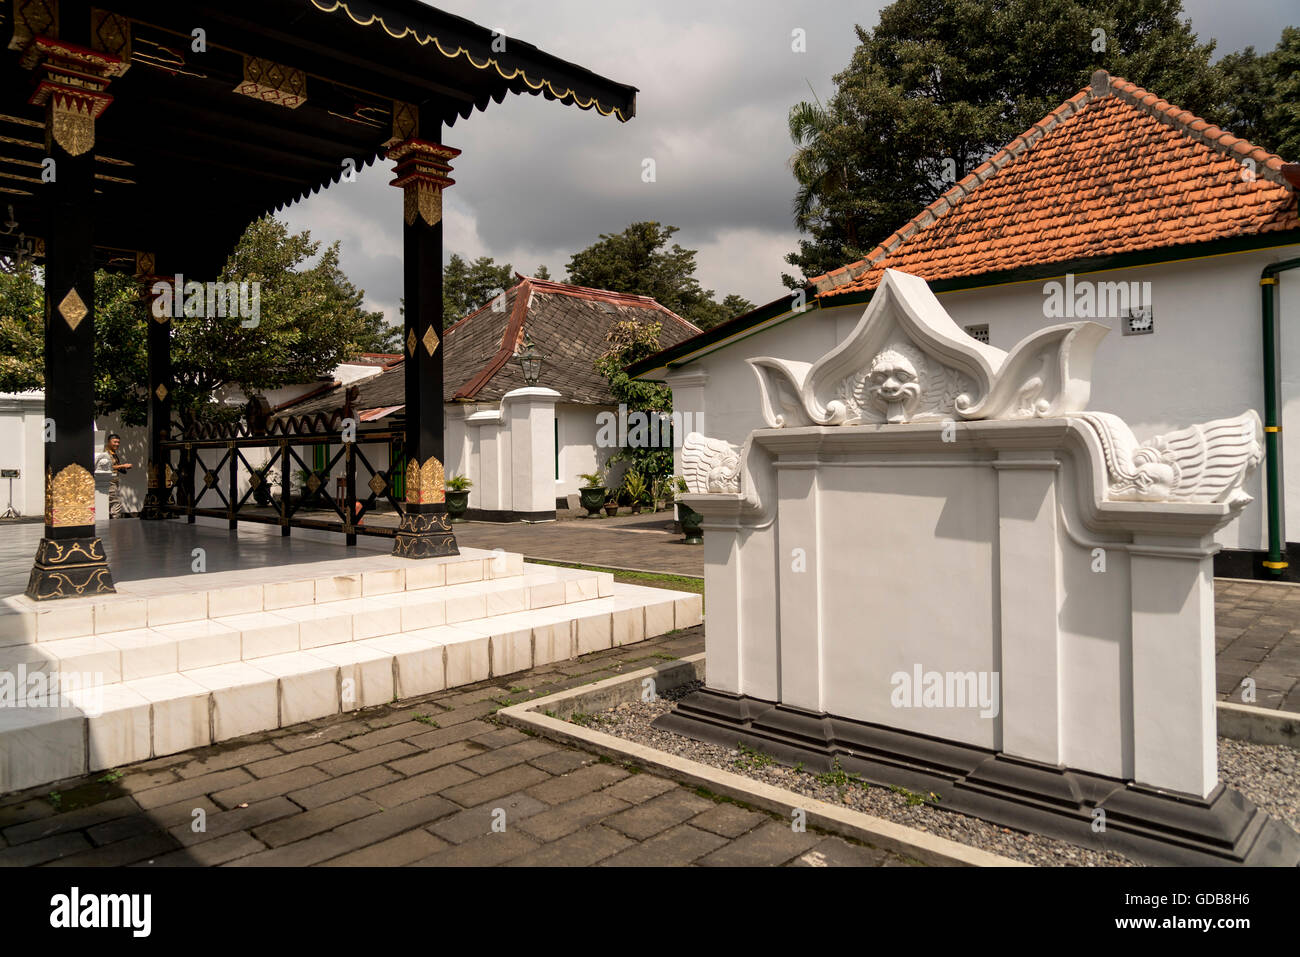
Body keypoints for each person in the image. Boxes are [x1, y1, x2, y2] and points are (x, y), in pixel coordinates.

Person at [99, 433, 131, 518]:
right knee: (116, 503)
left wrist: (122, 468)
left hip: (114, 482)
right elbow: (107, 466)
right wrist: (123, 466)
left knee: (111, 502)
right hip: (109, 482)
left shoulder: (113, 453)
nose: (117, 444)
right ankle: (116, 522)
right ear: (108, 442)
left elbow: (115, 466)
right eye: (114, 442)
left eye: (118, 442)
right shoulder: (105, 454)